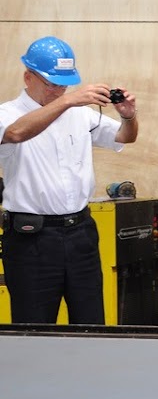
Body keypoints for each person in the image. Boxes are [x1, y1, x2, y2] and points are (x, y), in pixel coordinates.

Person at [0, 36, 139, 324]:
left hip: (80, 235)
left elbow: (125, 137)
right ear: (28, 77)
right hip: (32, 239)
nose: (59, 91)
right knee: (33, 328)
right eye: (52, 84)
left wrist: (128, 116)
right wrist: (67, 101)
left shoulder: (79, 115)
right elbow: (15, 134)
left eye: (64, 84)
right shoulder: (8, 114)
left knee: (91, 327)